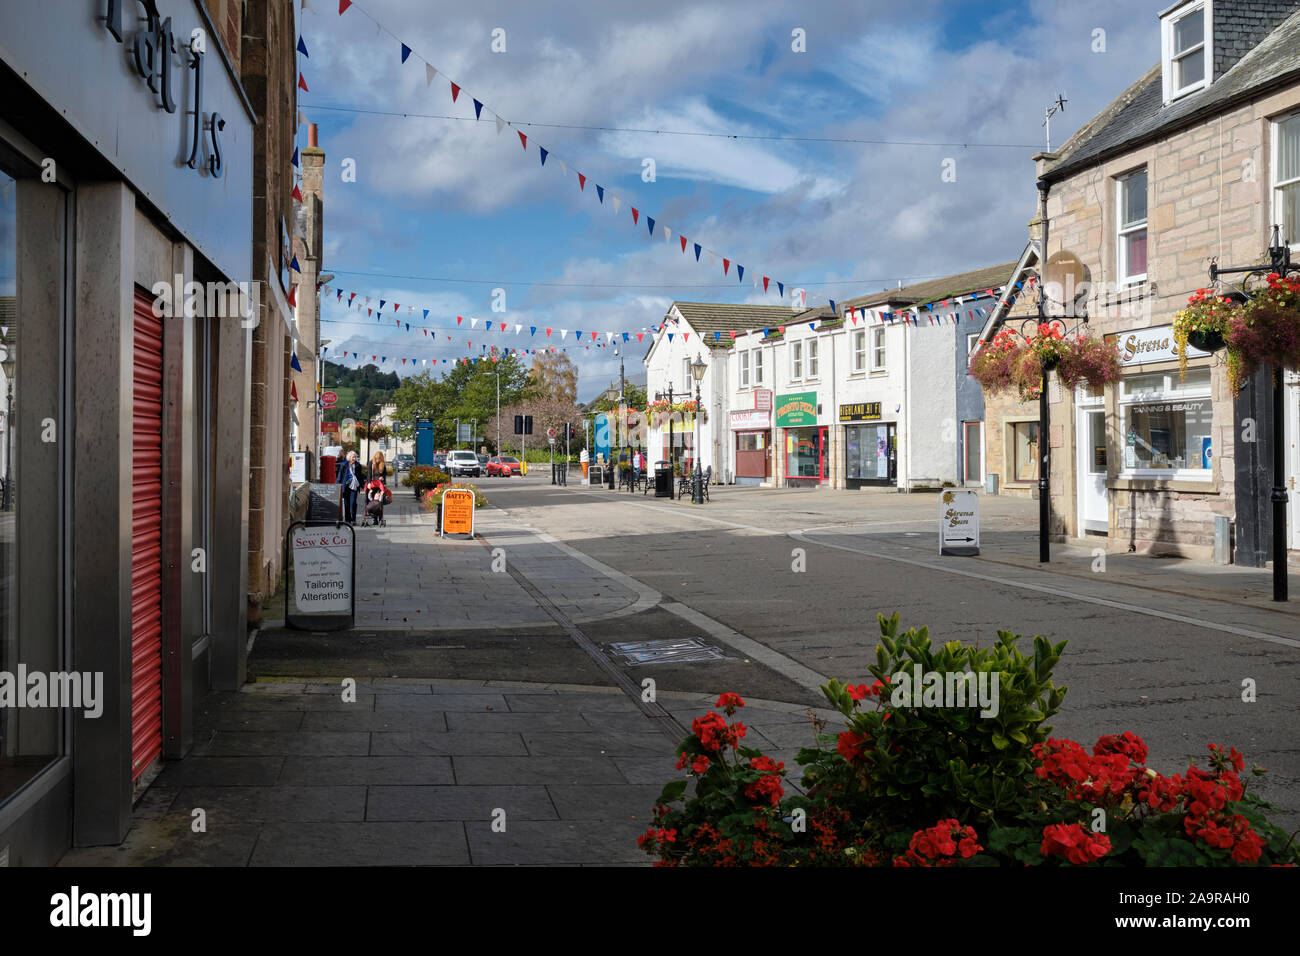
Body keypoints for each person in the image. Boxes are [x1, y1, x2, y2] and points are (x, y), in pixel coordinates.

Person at [336, 450, 366, 523]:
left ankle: (353, 519)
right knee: (346, 504)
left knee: (353, 502)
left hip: (354, 486)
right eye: (353, 457)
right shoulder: (344, 465)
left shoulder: (358, 465)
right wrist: (337, 485)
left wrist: (363, 486)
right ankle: (347, 520)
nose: (354, 459)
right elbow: (340, 475)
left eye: (355, 457)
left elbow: (360, 476)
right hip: (346, 486)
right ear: (349, 457)